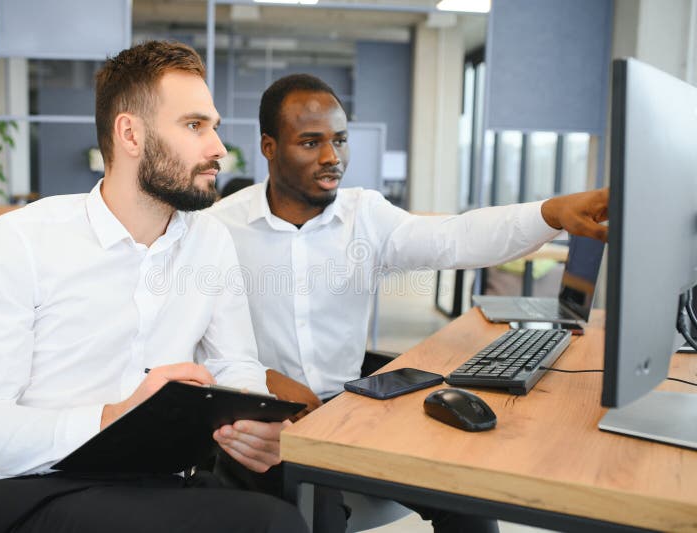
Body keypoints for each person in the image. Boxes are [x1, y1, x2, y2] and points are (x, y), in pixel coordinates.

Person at [206, 73, 610, 532]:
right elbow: (189, 339)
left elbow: (454, 238)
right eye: (311, 142)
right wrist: (264, 378)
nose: (332, 157)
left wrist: (551, 213)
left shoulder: (365, 214)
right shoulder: (219, 228)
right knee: (319, 512)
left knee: (466, 492)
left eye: (340, 140)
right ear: (269, 147)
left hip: (350, 407)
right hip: (260, 417)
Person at [0, 41, 308, 533]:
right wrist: (115, 416)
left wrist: (252, 425)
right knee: (270, 526)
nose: (218, 148)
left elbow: (235, 364)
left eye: (214, 127)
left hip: (162, 482)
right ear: (130, 134)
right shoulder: (21, 240)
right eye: (194, 126)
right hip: (41, 490)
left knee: (292, 508)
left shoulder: (210, 242)